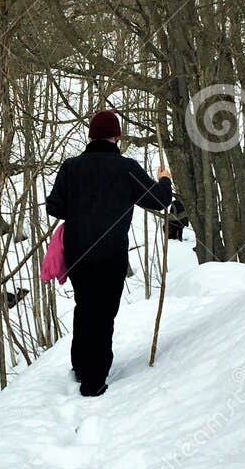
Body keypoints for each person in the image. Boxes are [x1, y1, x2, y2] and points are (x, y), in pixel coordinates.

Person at [46, 110, 173, 397]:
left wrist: (80, 210)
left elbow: (54, 206)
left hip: (77, 253)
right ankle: (93, 383)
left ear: (91, 136)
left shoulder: (71, 167)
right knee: (103, 314)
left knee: (85, 306)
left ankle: (80, 366)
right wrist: (164, 179)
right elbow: (159, 199)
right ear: (117, 136)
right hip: (111, 255)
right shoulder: (125, 168)